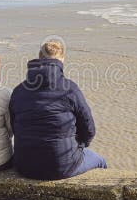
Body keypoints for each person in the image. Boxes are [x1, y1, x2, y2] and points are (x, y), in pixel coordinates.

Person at [9, 40, 107, 180]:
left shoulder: (18, 91)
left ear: (39, 58)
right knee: (100, 160)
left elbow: (15, 127)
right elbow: (89, 128)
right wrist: (80, 145)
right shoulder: (70, 89)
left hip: (24, 165)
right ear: (62, 61)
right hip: (61, 165)